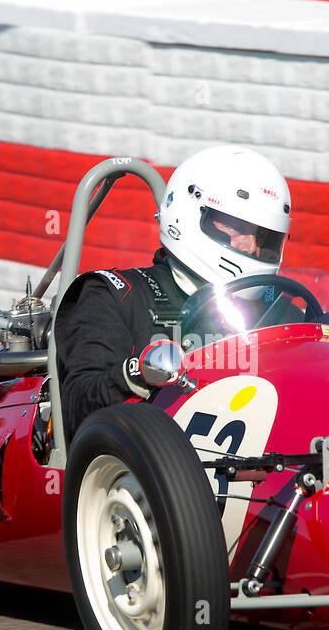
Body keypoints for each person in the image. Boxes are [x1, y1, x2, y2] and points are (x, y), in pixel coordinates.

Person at [54, 144, 292, 438]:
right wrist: (138, 374)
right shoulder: (117, 296)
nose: (251, 246)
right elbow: (77, 405)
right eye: (237, 227)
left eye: (265, 237)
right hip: (142, 471)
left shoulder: (278, 309)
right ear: (189, 214)